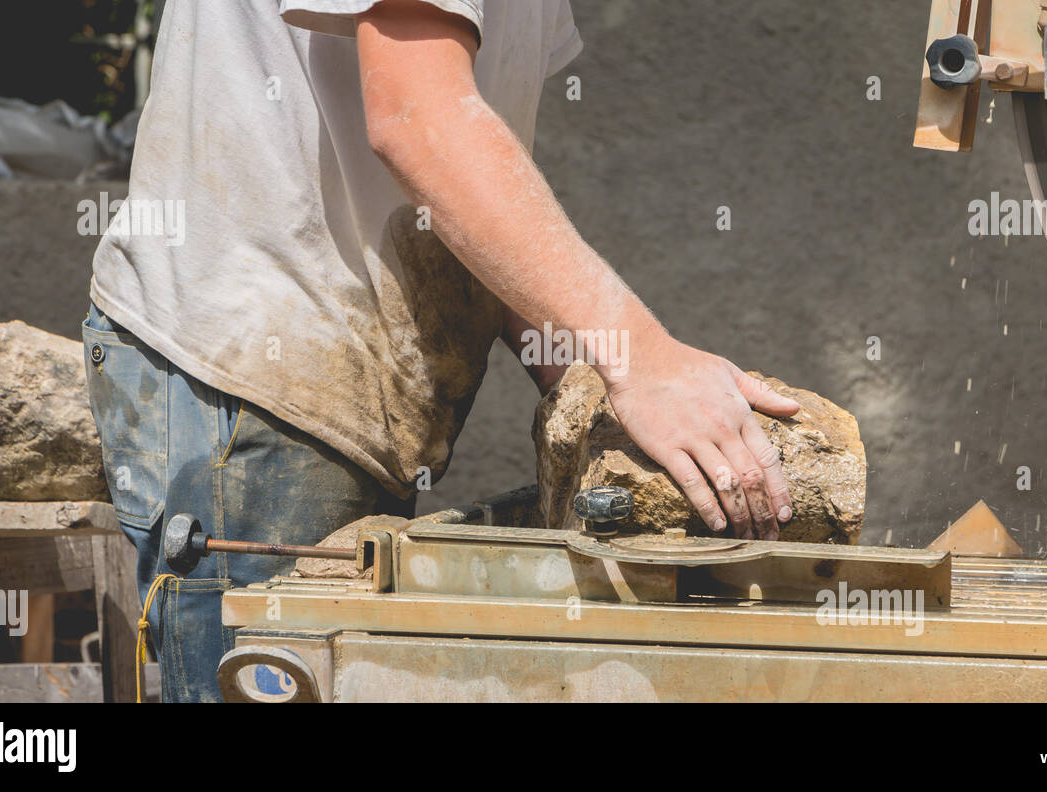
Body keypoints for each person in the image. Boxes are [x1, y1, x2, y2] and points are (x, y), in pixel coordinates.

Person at [83, 0, 800, 702]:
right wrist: (644, 361)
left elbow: (475, 189)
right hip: (250, 385)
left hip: (342, 388)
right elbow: (419, 123)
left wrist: (595, 382)